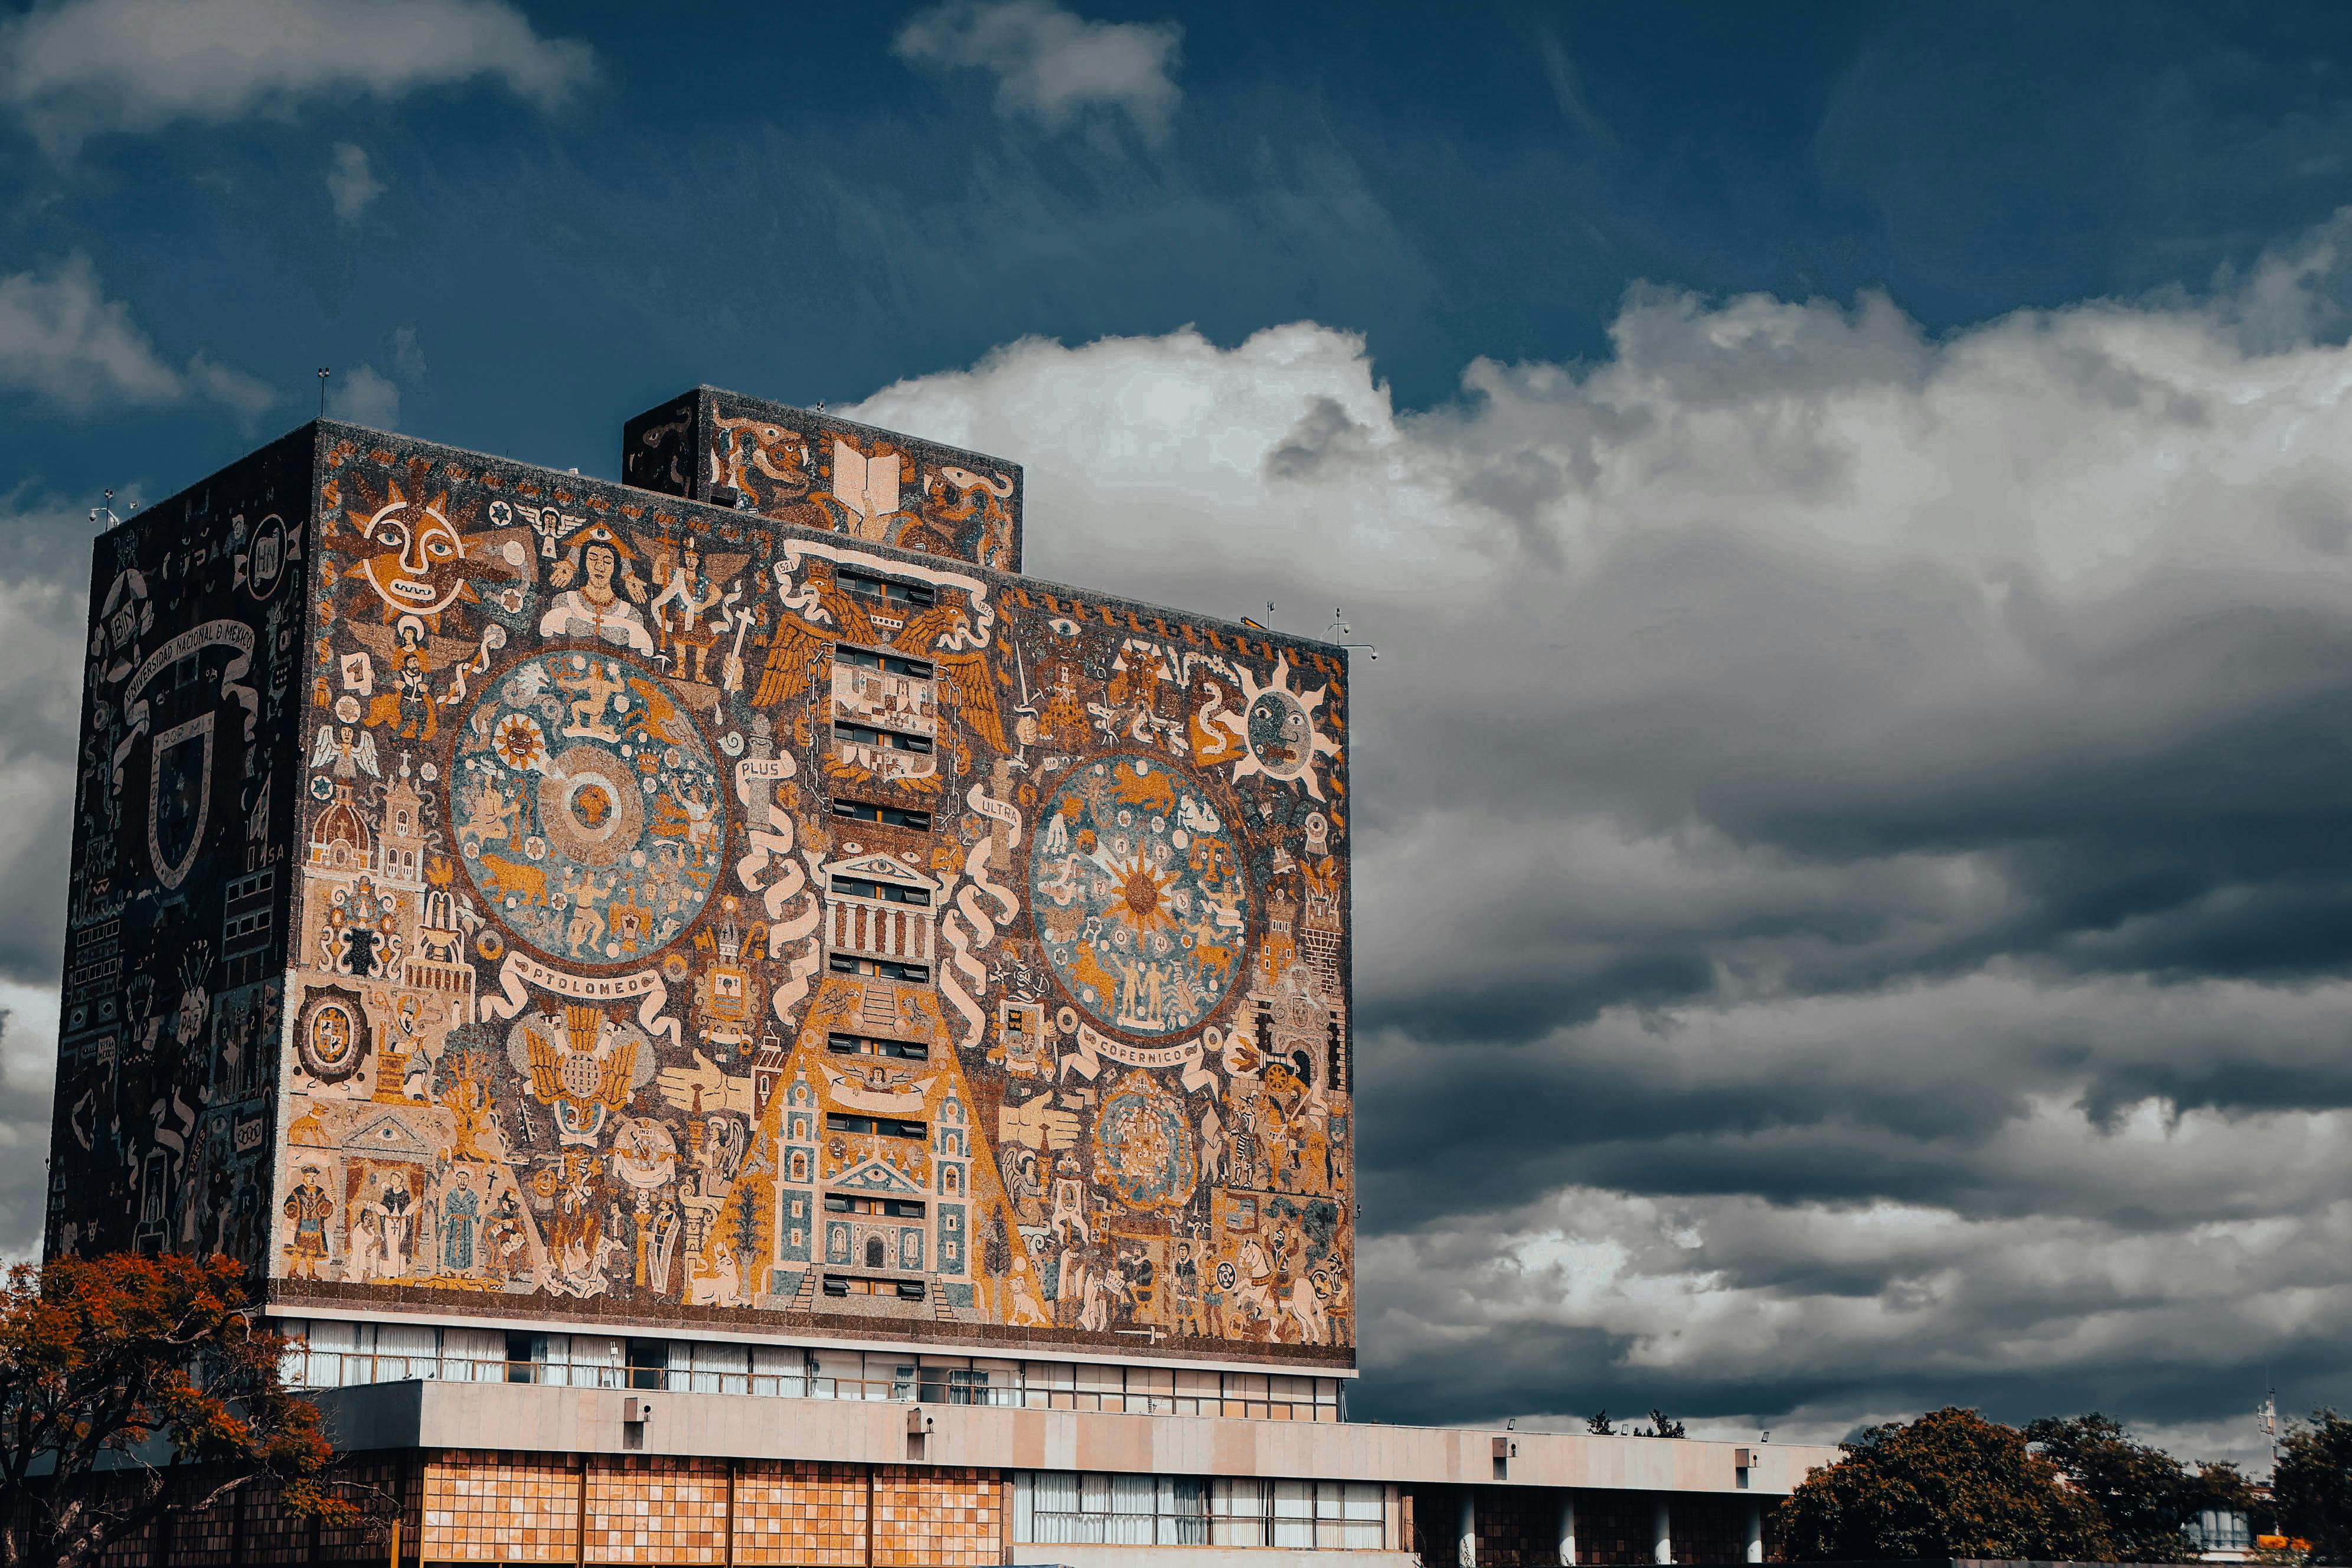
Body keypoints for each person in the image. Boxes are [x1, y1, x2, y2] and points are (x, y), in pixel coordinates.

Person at [539, 526, 654, 652]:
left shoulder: (631, 615)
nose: (600, 567)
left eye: (608, 561)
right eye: (593, 558)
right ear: (584, 562)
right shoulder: (564, 601)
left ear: (616, 568)